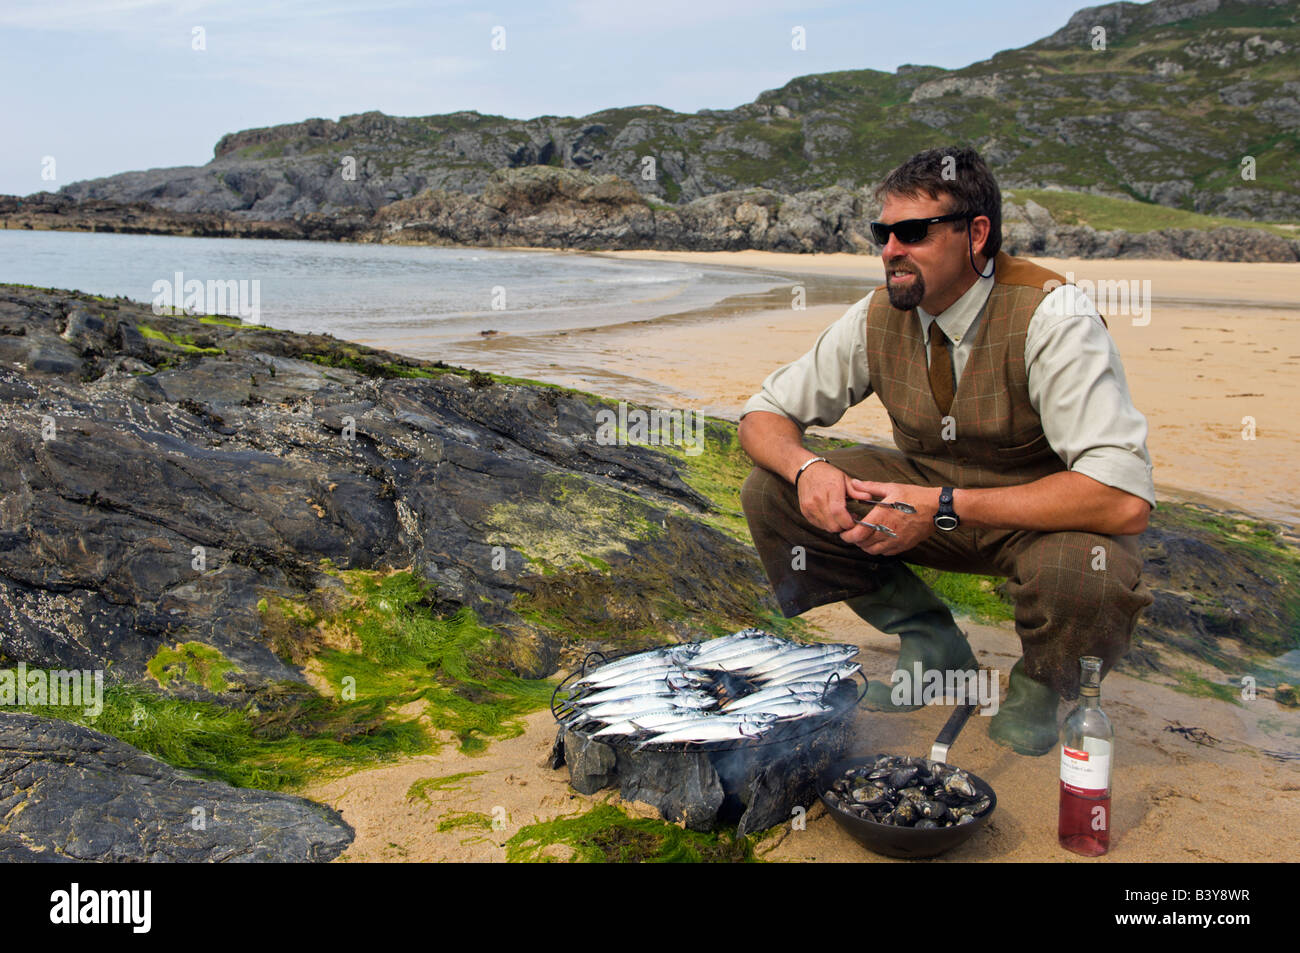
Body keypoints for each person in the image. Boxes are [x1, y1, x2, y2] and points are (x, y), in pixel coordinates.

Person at [737, 146, 1155, 756]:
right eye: (883, 232)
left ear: (976, 233)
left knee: (1090, 573)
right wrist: (808, 467)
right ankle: (930, 640)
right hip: (923, 497)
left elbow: (1122, 500)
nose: (889, 250)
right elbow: (761, 415)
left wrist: (947, 504)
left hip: (1038, 521)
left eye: (912, 232)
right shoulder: (877, 315)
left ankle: (1038, 688)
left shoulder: (1053, 315)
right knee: (772, 489)